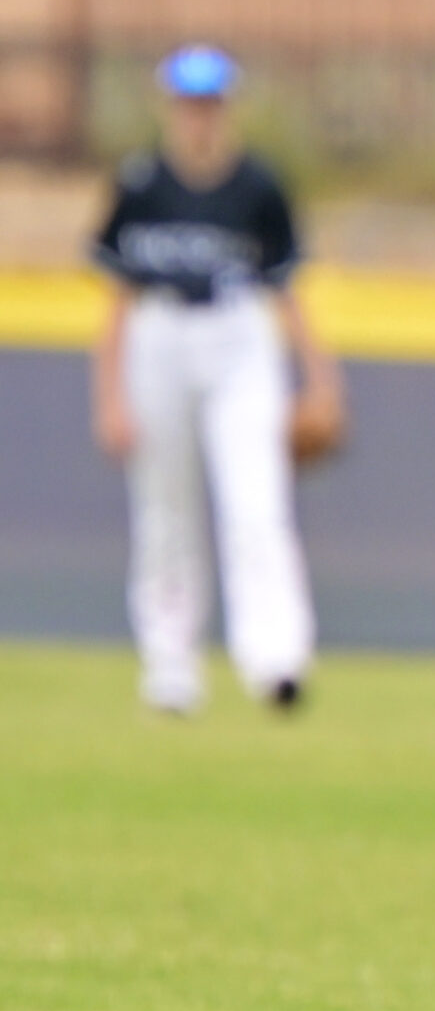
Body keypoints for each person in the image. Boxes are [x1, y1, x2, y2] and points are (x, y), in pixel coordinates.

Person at [90, 46, 340, 715]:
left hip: (238, 333)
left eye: (209, 102)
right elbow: (117, 298)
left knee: (256, 501)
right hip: (160, 333)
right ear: (171, 106)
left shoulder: (258, 185)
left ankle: (277, 658)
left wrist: (320, 380)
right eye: (188, 101)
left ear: (227, 106)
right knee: (164, 508)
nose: (199, 114)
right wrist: (109, 397)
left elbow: (288, 289)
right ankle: (171, 666)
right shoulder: (141, 184)